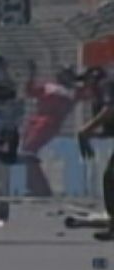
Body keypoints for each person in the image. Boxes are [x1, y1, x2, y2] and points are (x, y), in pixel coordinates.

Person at [18, 63, 92, 196]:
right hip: (35, 122)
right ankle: (33, 187)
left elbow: (89, 93)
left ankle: (41, 189)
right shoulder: (50, 87)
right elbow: (30, 91)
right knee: (27, 154)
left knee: (28, 153)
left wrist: (85, 79)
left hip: (48, 123)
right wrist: (31, 75)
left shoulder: (73, 91)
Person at [76, 66, 114, 241]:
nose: (85, 86)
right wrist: (93, 134)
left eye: (86, 81)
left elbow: (110, 110)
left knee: (111, 178)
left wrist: (85, 130)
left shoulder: (106, 85)